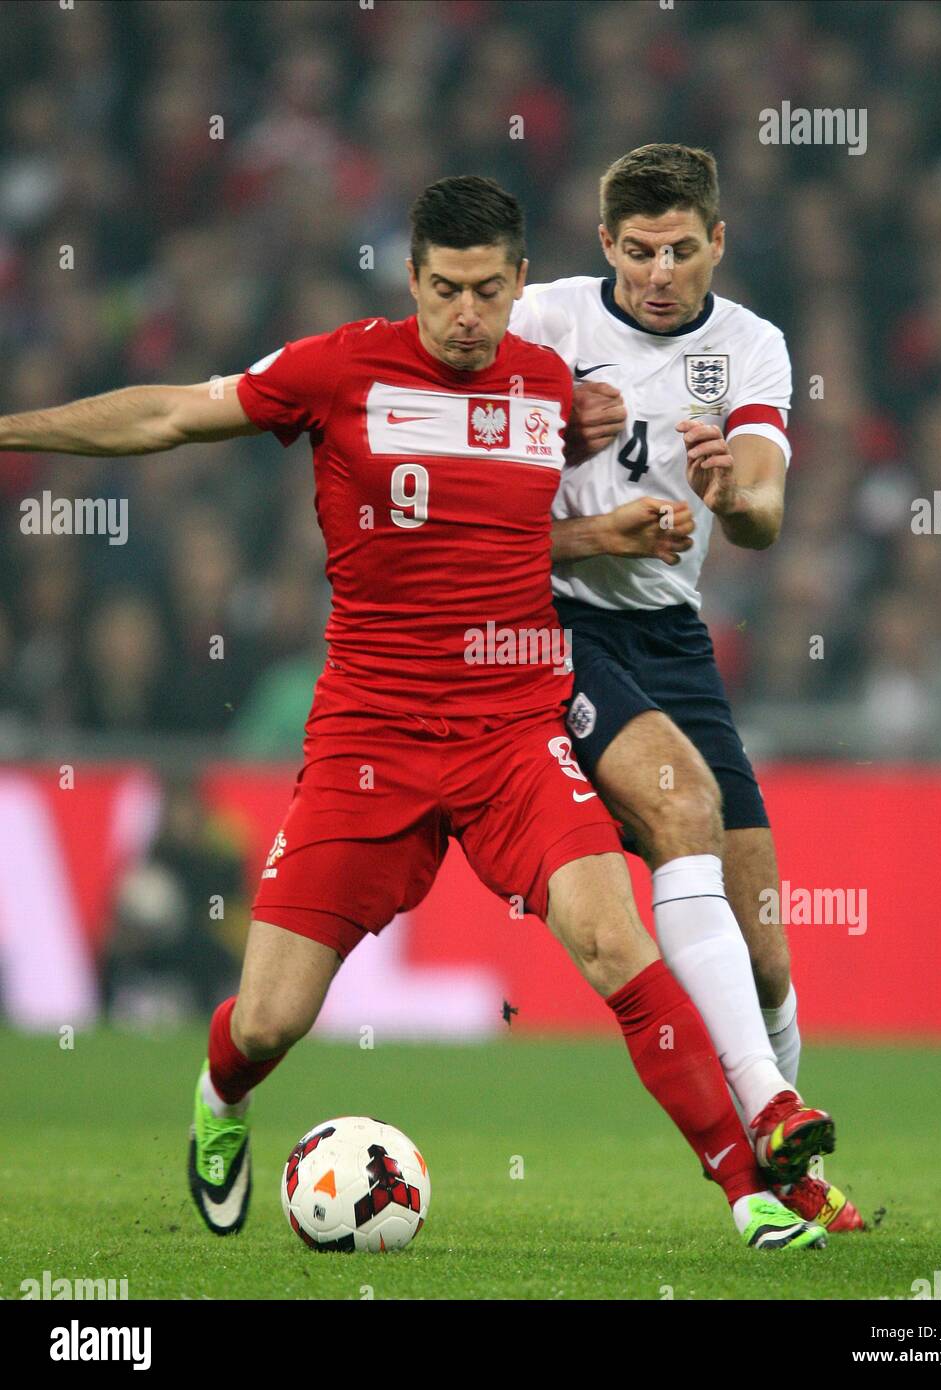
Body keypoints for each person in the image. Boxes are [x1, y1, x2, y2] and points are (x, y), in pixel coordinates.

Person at [0, 175, 834, 1250]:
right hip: (370, 737)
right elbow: (168, 411)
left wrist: (604, 534)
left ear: (520, 282)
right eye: (444, 289)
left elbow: (499, 541)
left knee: (616, 946)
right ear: (411, 278)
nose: (465, 316)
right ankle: (218, 1100)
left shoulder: (549, 389)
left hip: (513, 728)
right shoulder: (336, 368)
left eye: (488, 290)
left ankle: (746, 1193)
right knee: (266, 1020)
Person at [509, 144, 864, 1232]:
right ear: (603, 244)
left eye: (678, 250)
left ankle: (786, 1178)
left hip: (668, 632)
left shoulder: (749, 344)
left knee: (763, 949)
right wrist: (550, 424)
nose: (658, 272)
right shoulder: (541, 322)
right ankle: (767, 1103)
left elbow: (760, 511)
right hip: (548, 618)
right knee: (679, 804)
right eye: (635, 251)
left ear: (715, 240)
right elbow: (461, 460)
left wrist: (728, 494)